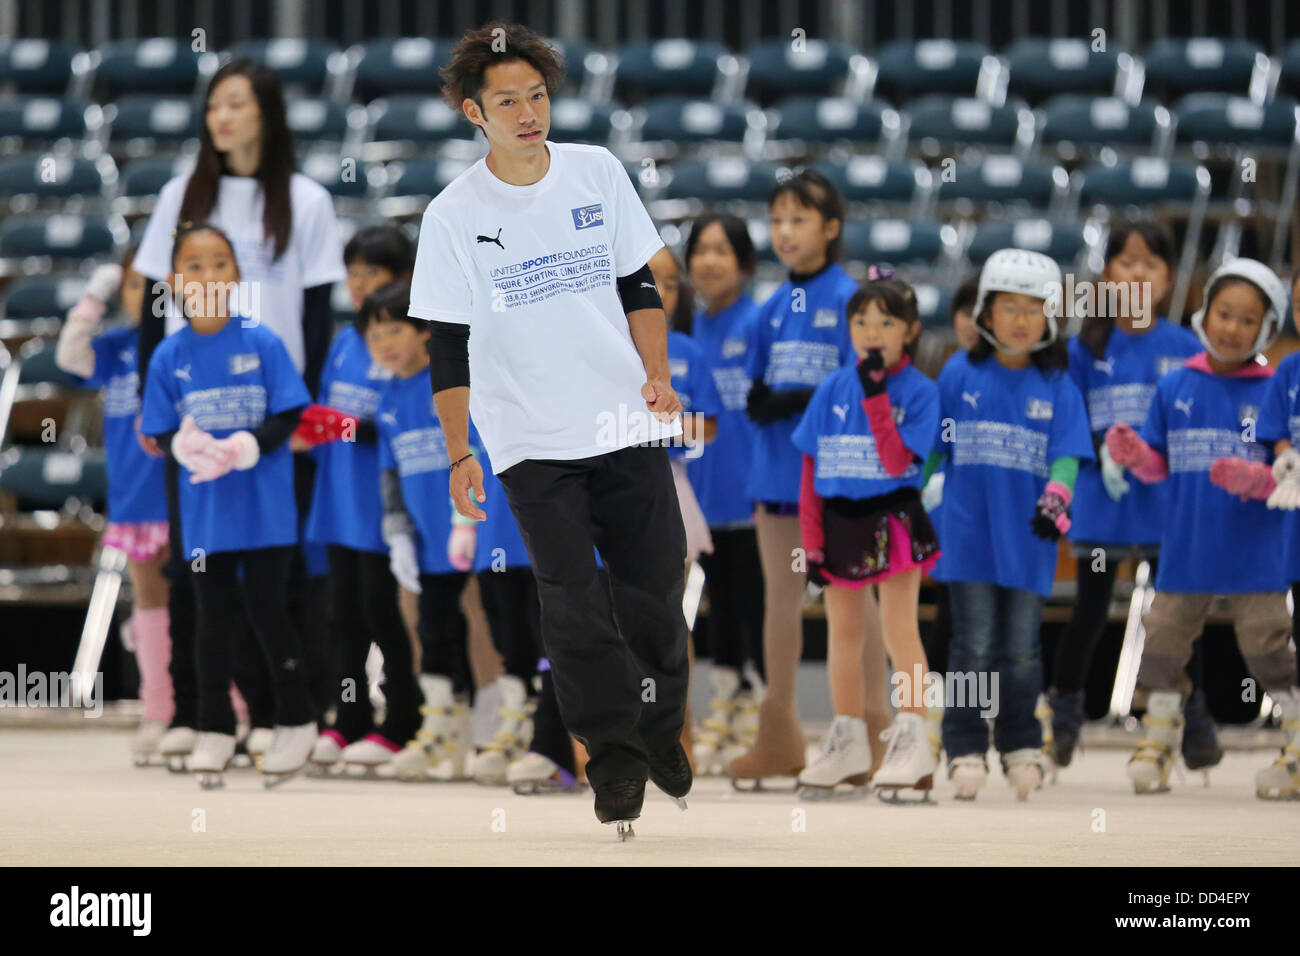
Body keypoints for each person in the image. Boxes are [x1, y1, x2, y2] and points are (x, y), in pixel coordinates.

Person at [410, 22, 690, 833]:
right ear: (474, 112)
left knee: (655, 597)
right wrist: (460, 449)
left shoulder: (596, 172)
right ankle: (612, 757)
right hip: (529, 439)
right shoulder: (452, 215)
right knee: (571, 605)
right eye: (508, 100)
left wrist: (657, 374)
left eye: (537, 95)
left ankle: (659, 725)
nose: (528, 111)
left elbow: (639, 284)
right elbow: (447, 343)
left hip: (624, 419)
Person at [133, 57, 345, 766]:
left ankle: (287, 711)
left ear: (267, 112)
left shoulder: (308, 200)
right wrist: (149, 404)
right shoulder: (178, 194)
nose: (221, 117)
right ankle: (201, 713)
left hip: (268, 417)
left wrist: (304, 415)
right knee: (198, 568)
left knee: (273, 573)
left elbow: (316, 315)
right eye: (212, 105)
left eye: (236, 103)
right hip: (191, 410)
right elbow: (149, 310)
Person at [1107, 258, 1299, 798]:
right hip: (1185, 550)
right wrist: (1134, 454)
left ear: (1266, 327)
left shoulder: (1275, 388)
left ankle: (1297, 740)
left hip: (1256, 554)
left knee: (1267, 648)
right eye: (1224, 313)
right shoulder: (1175, 386)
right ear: (1204, 312)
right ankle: (1160, 739)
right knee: (1163, 640)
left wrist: (1256, 479)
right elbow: (1157, 466)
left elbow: (1289, 473)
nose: (1232, 328)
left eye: (1247, 319)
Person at [139, 222, 315, 787]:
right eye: (195, 265)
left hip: (266, 508)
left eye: (220, 263)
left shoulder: (262, 342)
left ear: (237, 276)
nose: (208, 275)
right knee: (210, 619)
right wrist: (180, 446)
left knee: (268, 609)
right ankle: (214, 725)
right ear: (174, 282)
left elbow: (290, 413)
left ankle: (295, 717)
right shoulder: (169, 356)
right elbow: (159, 429)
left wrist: (248, 445)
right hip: (205, 514)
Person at [732, 168, 890, 790]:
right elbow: (751, 385)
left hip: (840, 480)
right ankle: (779, 735)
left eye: (799, 219)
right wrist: (766, 398)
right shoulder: (771, 307)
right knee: (781, 604)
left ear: (831, 228)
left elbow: (870, 381)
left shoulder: (852, 299)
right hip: (777, 476)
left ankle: (875, 732)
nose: (785, 231)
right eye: (776, 220)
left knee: (858, 601)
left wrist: (799, 399)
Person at [924, 249, 1094, 800]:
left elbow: (1067, 457)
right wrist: (911, 493)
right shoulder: (957, 373)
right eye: (1008, 307)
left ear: (1050, 318)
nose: (1021, 320)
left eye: (1033, 308)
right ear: (984, 313)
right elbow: (933, 448)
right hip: (967, 536)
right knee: (970, 646)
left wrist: (1056, 496)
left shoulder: (1060, 386)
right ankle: (964, 743)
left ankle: (1022, 742)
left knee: (1021, 649)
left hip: (1028, 541)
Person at [1050, 222, 1206, 773]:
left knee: (1177, 615)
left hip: (1163, 502)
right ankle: (1064, 714)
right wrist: (1104, 451)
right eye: (1125, 262)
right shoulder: (1082, 349)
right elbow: (1068, 421)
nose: (1137, 273)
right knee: (1089, 611)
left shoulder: (1186, 347)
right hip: (1102, 497)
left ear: (1167, 279)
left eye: (1150, 263)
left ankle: (1193, 715)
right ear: (1107, 276)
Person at [792, 270, 941, 800]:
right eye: (861, 320)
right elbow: (810, 473)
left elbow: (901, 460)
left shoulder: (921, 393)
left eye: (886, 320)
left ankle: (914, 735)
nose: (871, 329)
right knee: (843, 635)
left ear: (911, 330)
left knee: (900, 630)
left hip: (893, 520)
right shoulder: (832, 386)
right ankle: (848, 738)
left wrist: (878, 399)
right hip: (839, 523)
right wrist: (811, 543)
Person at [296, 225, 422, 773]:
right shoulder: (345, 341)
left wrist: (345, 427)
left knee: (386, 617)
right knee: (343, 618)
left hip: (383, 509)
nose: (358, 283)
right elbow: (329, 418)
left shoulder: (410, 340)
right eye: (352, 271)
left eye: (372, 271)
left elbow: (397, 423)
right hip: (339, 501)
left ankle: (401, 722)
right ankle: (348, 720)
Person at [55, 250, 171, 765]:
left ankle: (221, 706)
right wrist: (94, 295)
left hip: (188, 495)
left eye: (152, 286)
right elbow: (69, 357)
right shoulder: (119, 348)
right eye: (130, 286)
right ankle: (159, 708)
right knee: (151, 599)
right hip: (135, 500)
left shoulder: (182, 346)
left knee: (204, 599)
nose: (141, 296)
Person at [362, 281, 475, 781]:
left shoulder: (449, 381)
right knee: (432, 634)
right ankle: (438, 732)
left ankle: (487, 729)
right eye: (373, 334)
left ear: (425, 330)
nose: (384, 342)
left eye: (394, 329)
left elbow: (478, 448)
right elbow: (390, 476)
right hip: (426, 544)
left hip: (473, 537)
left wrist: (465, 520)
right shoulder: (385, 399)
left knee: (486, 627)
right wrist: (398, 534)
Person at [682, 213, 767, 775]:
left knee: (750, 607)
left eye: (723, 250)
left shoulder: (759, 323)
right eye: (701, 251)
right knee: (709, 611)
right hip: (699, 500)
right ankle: (721, 709)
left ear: (744, 261)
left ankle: (755, 715)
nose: (710, 261)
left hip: (753, 495)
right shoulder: (681, 333)